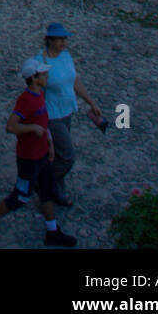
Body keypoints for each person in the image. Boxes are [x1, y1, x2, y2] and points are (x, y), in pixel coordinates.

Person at [0, 56, 76, 248]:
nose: (47, 75)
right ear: (34, 77)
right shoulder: (26, 100)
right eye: (44, 73)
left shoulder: (40, 95)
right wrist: (31, 129)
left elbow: (43, 122)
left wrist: (50, 142)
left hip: (42, 154)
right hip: (28, 157)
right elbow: (11, 126)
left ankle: (52, 231)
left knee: (47, 190)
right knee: (21, 195)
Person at [40, 21, 103, 205]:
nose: (63, 43)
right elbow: (37, 94)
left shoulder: (65, 56)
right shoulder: (41, 62)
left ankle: (56, 189)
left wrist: (91, 102)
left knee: (58, 155)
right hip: (52, 116)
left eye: (64, 39)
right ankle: (44, 183)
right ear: (49, 40)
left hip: (67, 111)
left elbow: (75, 80)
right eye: (59, 39)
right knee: (68, 157)